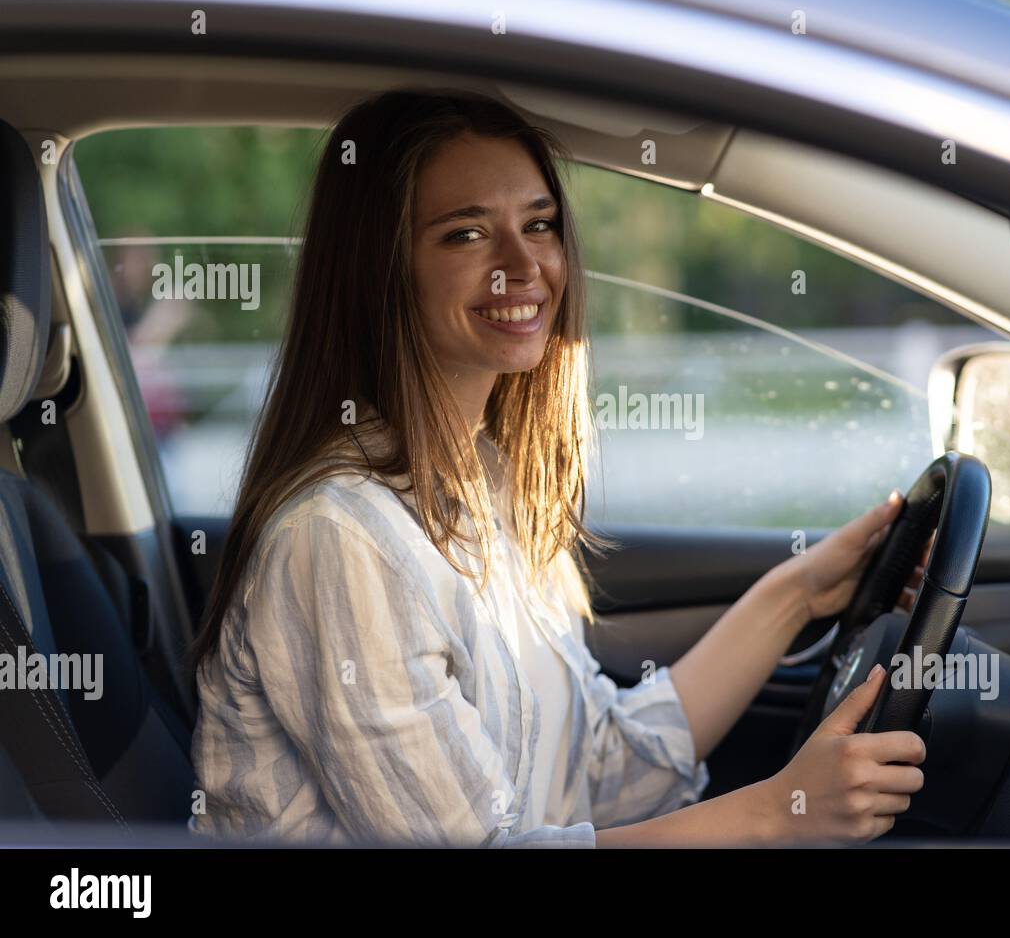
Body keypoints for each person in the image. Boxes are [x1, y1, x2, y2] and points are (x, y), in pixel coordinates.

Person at [188, 89, 926, 848]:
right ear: (380, 269)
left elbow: (598, 769)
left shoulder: (486, 484)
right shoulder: (339, 539)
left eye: (539, 225)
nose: (525, 265)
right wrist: (779, 813)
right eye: (467, 234)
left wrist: (800, 592)